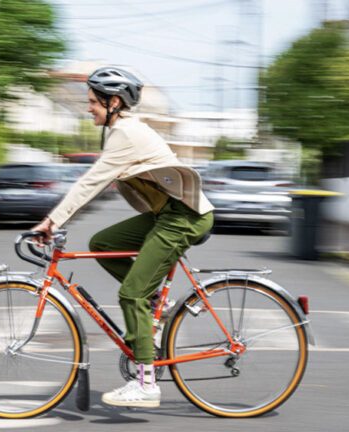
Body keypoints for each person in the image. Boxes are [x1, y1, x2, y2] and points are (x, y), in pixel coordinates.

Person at [32, 66, 214, 408]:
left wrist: (52, 221)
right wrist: (58, 219)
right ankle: (150, 305)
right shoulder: (119, 131)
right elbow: (96, 185)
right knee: (103, 244)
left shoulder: (126, 134)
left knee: (131, 294)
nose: (88, 108)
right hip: (167, 215)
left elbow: (91, 182)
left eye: (92, 102)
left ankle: (146, 385)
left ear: (114, 101)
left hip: (184, 218)